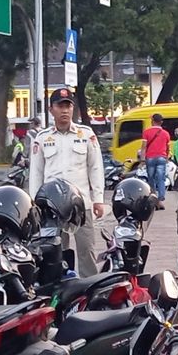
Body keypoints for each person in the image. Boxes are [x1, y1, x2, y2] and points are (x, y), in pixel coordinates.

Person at [30, 87, 106, 276]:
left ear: (73, 109)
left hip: (81, 204)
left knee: (86, 250)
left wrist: (98, 199)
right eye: (60, 106)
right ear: (51, 109)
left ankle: (90, 289)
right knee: (54, 250)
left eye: (68, 106)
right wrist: (34, 204)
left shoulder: (86, 135)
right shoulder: (42, 138)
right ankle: (58, 289)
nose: (64, 110)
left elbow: (95, 168)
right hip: (52, 207)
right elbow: (36, 173)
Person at [140, 112, 170, 208]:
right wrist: (167, 157)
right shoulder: (166, 134)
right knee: (161, 179)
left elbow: (144, 147)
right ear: (161, 122)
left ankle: (154, 198)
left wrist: (142, 159)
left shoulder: (146, 132)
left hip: (150, 158)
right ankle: (161, 199)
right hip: (162, 158)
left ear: (152, 121)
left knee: (151, 179)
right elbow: (167, 147)